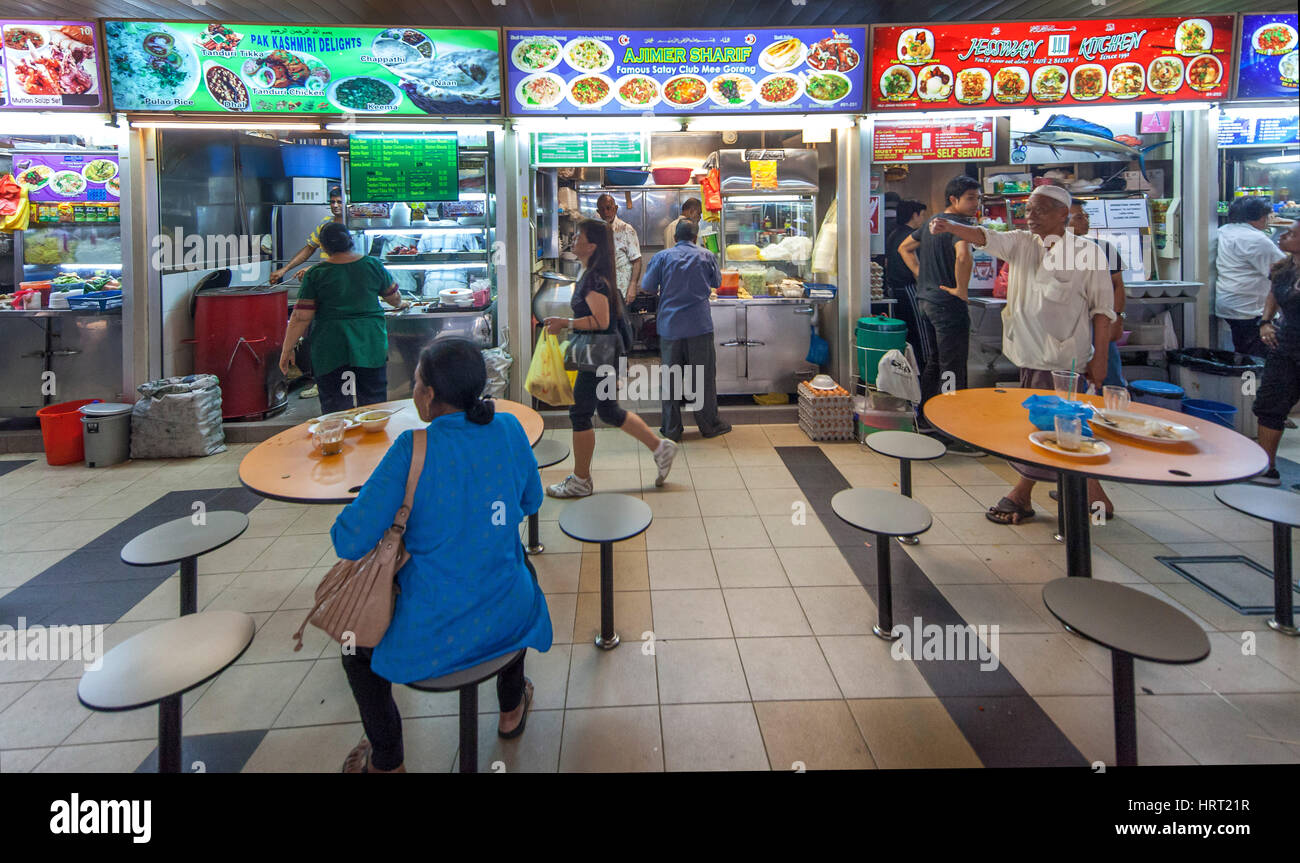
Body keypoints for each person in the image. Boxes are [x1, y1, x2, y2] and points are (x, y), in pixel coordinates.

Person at [334, 339, 551, 772]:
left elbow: (349, 542)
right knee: (518, 571)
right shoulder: (509, 429)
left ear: (429, 394)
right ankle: (511, 708)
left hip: (434, 630)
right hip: (508, 615)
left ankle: (388, 758)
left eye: (416, 381)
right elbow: (531, 500)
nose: (414, 389)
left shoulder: (410, 450)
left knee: (351, 644)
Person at [930, 185, 1116, 525]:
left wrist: (1100, 360)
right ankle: (1087, 490)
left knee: (1053, 426)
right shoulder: (1021, 244)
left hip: (1065, 360)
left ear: (1064, 214)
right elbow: (984, 237)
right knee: (1055, 428)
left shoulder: (1086, 254)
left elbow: (1103, 312)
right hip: (1029, 355)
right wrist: (950, 226)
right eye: (1028, 210)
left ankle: (1026, 494)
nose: (1030, 217)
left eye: (1039, 210)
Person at [542, 219, 677, 497]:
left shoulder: (593, 279)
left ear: (591, 245)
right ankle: (660, 448)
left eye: (578, 236)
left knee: (580, 413)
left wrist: (564, 323)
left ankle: (581, 480)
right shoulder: (592, 272)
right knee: (607, 411)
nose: (574, 240)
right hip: (605, 355)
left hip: (598, 356)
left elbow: (600, 321)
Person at [279, 222, 404, 414]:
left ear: (323, 246)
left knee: (335, 407)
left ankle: (340, 441)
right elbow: (394, 299)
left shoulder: (316, 274)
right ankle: (372, 442)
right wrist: (401, 302)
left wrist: (287, 349)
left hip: (330, 347)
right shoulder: (372, 265)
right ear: (351, 241)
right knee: (373, 404)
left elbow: (301, 316)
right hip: (369, 343)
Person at [899, 174, 981, 452]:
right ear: (953, 199)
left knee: (934, 361)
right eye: (970, 198)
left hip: (927, 300)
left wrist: (921, 275)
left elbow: (905, 248)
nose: (975, 203)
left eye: (977, 198)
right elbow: (963, 256)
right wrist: (961, 288)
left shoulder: (933, 222)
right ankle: (952, 430)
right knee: (952, 366)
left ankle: (925, 417)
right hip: (947, 304)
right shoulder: (959, 225)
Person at [641, 217, 730, 441]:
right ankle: (709, 426)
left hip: (671, 327)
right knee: (703, 378)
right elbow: (717, 283)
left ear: (674, 237)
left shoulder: (662, 257)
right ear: (695, 237)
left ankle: (671, 430)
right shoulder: (707, 255)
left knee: (671, 380)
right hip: (699, 326)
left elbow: (647, 287)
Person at [1252, 220, 1300, 486]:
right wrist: (1266, 322)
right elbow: (1273, 296)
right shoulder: (1283, 269)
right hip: (1285, 345)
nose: (1284, 236)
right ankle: (1266, 466)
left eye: (1292, 234)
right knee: (1270, 404)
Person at [1213, 196, 1286, 358]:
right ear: (1260, 217)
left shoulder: (1225, 230)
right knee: (1258, 357)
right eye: (1268, 215)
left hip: (1231, 304)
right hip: (1250, 309)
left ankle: (1246, 380)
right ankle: (1252, 382)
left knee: (1244, 351)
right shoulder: (1255, 239)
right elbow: (1284, 271)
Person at [1068, 201, 1128, 388]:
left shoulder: (1104, 248)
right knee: (1072, 380)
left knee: (1108, 377)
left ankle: (1111, 413)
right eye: (1079, 217)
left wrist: (1118, 318)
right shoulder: (1053, 250)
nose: (1085, 221)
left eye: (1086, 216)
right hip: (1070, 327)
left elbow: (1118, 285)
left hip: (1100, 323)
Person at [884, 199, 933, 374]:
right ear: (915, 214)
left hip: (894, 289)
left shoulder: (893, 234)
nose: (923, 219)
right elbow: (916, 268)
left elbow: (888, 262)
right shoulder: (912, 237)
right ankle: (925, 366)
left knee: (906, 332)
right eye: (922, 215)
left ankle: (909, 367)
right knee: (920, 331)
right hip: (909, 289)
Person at [269, 185, 344, 285]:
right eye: (332, 202)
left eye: (339, 202)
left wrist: (313, 268)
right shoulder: (325, 223)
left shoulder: (353, 227)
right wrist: (284, 269)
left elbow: (343, 259)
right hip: (326, 281)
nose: (335, 205)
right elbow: (309, 248)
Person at [596, 193, 644, 306]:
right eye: (602, 210)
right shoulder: (597, 231)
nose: (606, 212)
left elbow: (637, 261)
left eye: (609, 208)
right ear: (598, 212)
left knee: (620, 322)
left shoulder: (626, 229)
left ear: (615, 208)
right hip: (603, 291)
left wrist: (632, 286)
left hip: (622, 291)